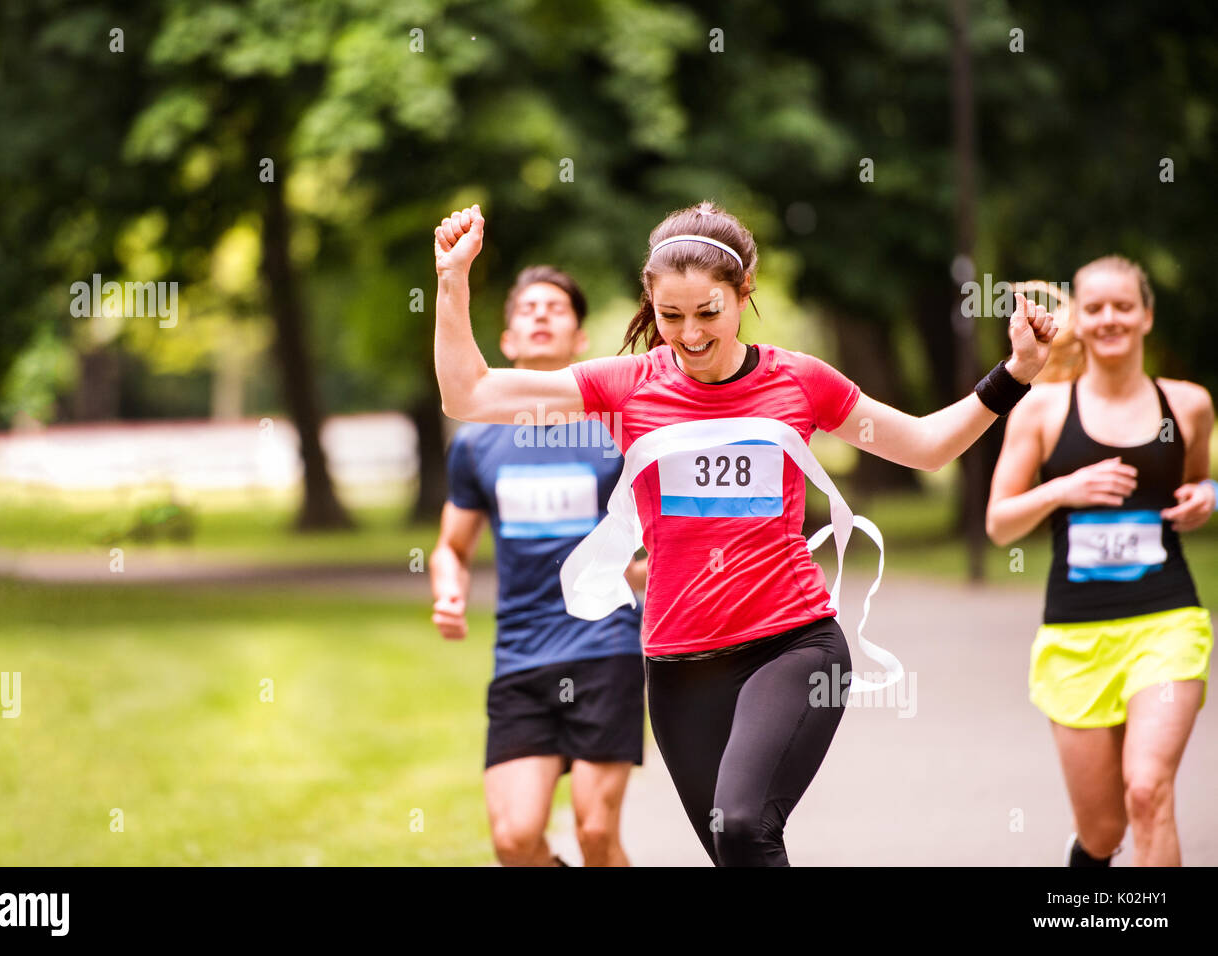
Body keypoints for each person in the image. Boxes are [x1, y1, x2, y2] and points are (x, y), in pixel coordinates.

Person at [433, 200, 1054, 866]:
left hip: (791, 646)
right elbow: (468, 395)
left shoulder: (801, 382)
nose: (691, 334)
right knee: (740, 853)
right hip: (679, 665)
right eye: (670, 316)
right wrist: (452, 280)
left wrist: (1014, 374)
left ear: (743, 294)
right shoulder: (627, 386)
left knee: (742, 825)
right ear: (651, 301)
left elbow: (928, 446)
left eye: (708, 312)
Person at [987, 259, 1215, 867]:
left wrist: (1209, 497)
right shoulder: (1041, 409)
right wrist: (1065, 489)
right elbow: (999, 521)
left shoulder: (1188, 405)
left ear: (1145, 315)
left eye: (1122, 305)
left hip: (1167, 620)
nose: (1109, 318)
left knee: (1148, 791)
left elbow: (1199, 483)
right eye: (1094, 308)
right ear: (1076, 321)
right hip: (1075, 635)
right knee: (1104, 832)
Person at [429, 265, 648, 867]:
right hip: (522, 654)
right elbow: (452, 546)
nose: (542, 314)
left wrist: (642, 572)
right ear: (506, 343)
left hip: (605, 649)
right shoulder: (476, 442)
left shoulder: (617, 430)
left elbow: (660, 535)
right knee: (514, 840)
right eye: (528, 308)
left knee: (596, 832)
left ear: (581, 339)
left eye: (557, 307)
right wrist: (448, 593)